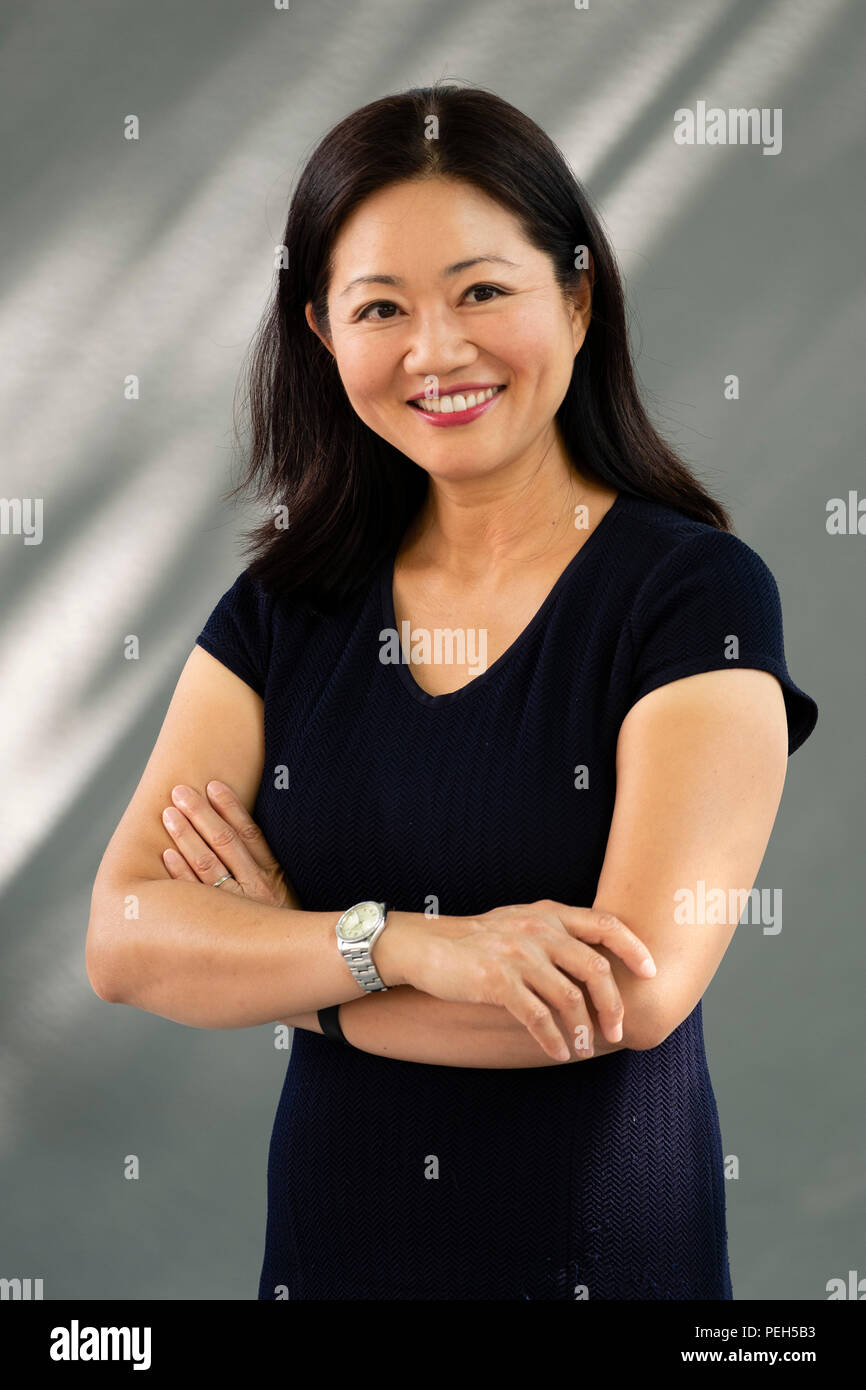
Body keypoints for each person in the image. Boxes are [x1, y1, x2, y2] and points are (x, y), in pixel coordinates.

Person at [86, 83, 818, 1300]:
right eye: (381, 308)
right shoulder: (286, 609)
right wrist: (409, 945)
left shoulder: (693, 595)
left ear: (574, 300)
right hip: (331, 1265)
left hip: (596, 1266)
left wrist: (303, 971)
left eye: (482, 290)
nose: (437, 350)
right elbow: (124, 939)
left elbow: (625, 993)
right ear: (324, 336)